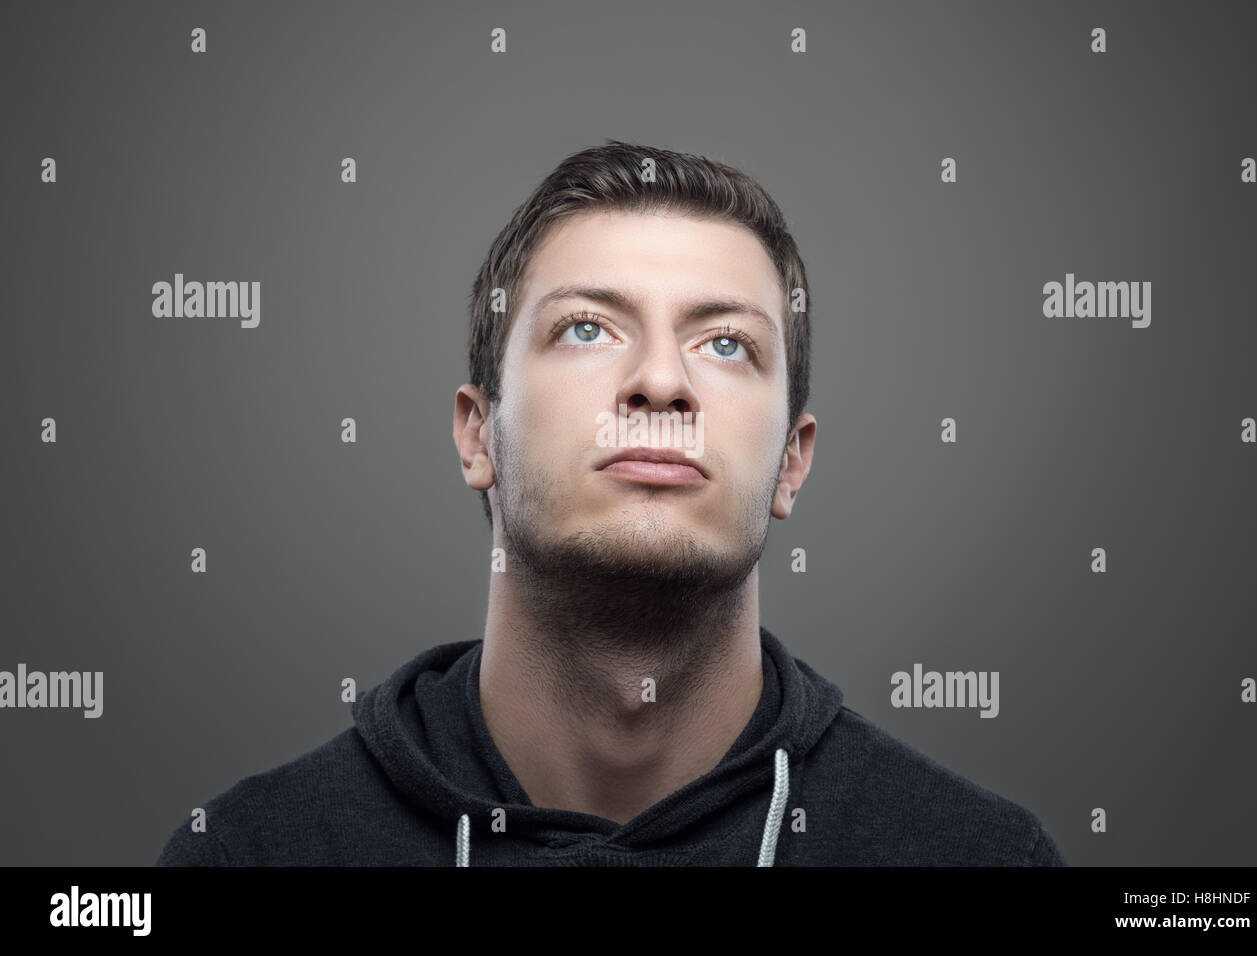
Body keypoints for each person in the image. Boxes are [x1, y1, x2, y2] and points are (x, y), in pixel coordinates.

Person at [156, 140, 1067, 866]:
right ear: (479, 435)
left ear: (793, 462)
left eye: (725, 345)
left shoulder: (979, 856)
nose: (660, 382)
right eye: (587, 328)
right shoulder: (250, 853)